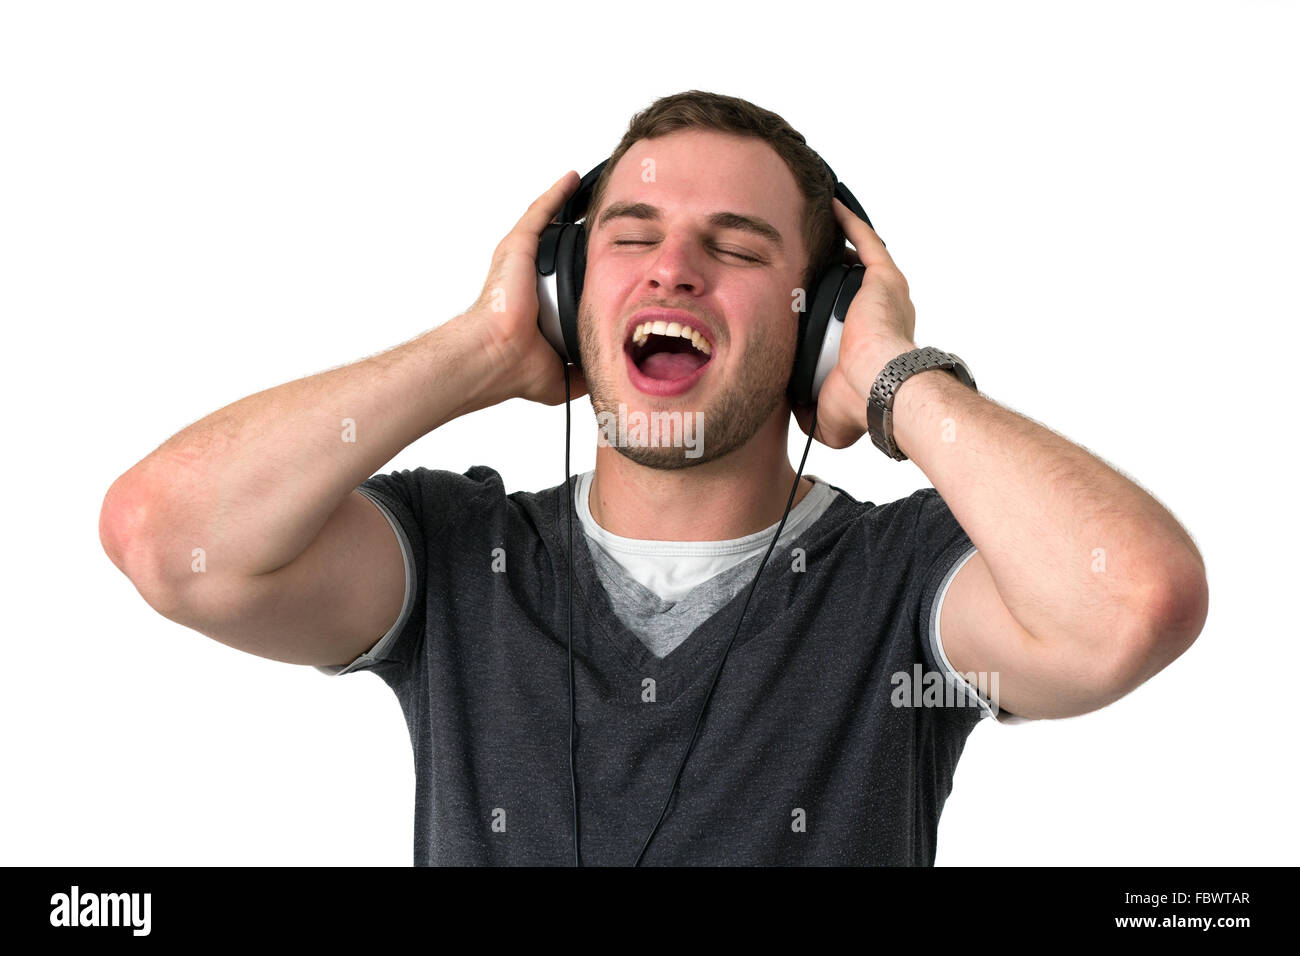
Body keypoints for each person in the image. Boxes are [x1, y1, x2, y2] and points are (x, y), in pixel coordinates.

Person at [98, 90, 1209, 866]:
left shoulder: (902, 585)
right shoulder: (460, 557)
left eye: (738, 247)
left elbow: (1133, 604)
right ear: (566, 291)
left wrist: (891, 377)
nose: (673, 268)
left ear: (815, 319)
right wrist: (480, 347)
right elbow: (168, 537)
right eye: (631, 238)